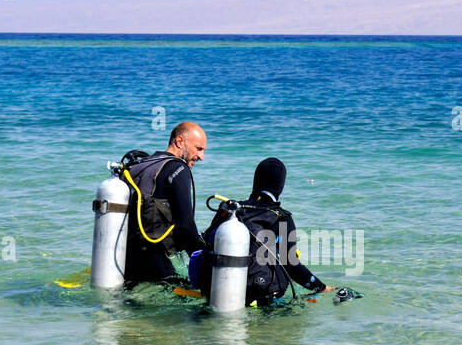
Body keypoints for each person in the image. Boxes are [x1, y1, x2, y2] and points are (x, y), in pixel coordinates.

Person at [194, 157, 329, 306]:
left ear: (256, 180)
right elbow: (291, 264)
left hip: (217, 292)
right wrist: (321, 287)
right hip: (262, 299)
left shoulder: (230, 210)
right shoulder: (281, 217)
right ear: (280, 185)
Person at [121, 122, 208, 283]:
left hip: (127, 262)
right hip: (158, 265)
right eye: (199, 149)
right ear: (180, 141)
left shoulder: (141, 165)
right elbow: (186, 226)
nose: (201, 157)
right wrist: (205, 259)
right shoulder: (178, 168)